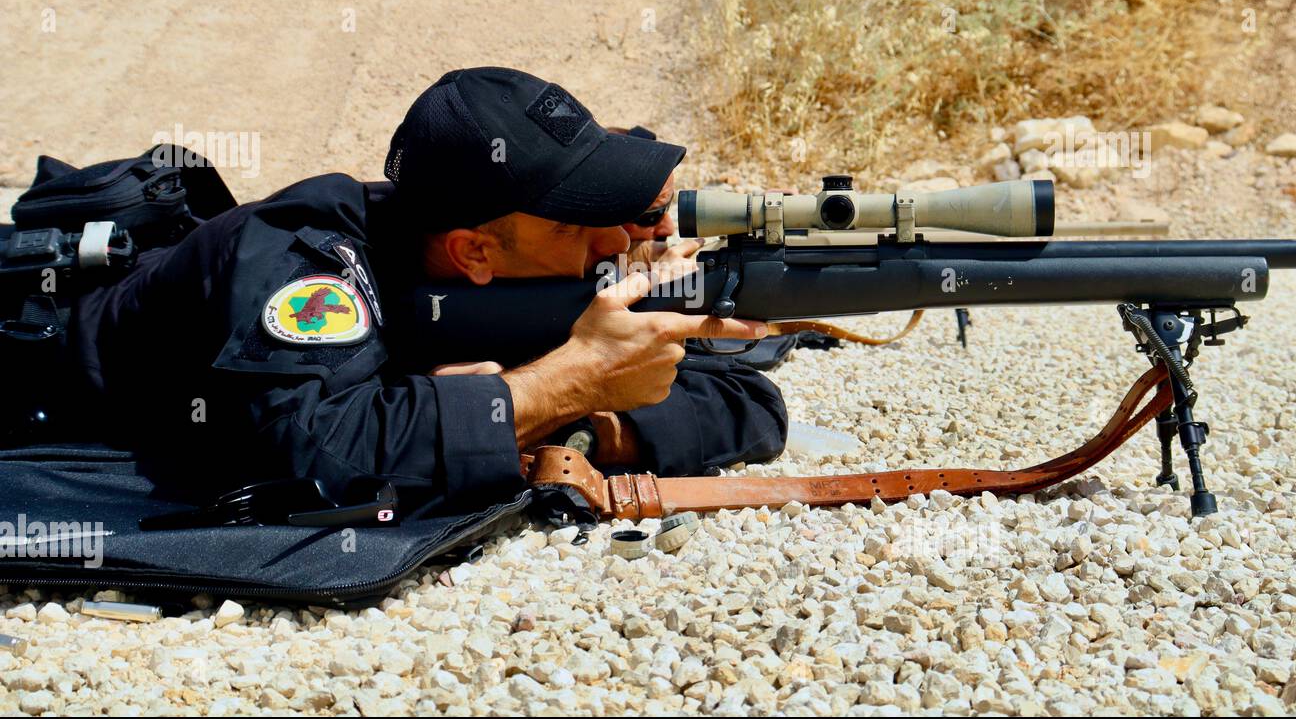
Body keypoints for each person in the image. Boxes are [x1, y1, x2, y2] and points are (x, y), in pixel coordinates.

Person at [67, 67, 788, 513]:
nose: (618, 243)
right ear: (472, 252)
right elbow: (317, 450)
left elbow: (749, 406)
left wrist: (579, 417)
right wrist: (560, 386)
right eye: (579, 225)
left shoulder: (520, 274)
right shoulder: (309, 260)